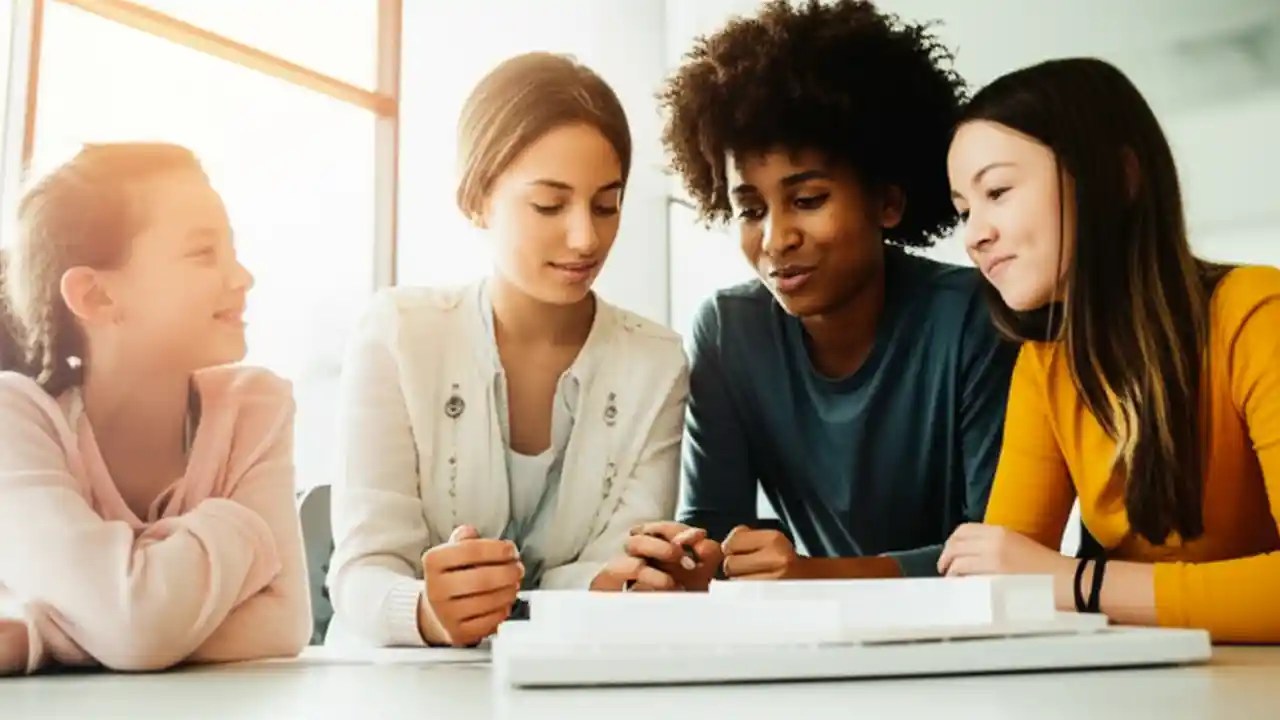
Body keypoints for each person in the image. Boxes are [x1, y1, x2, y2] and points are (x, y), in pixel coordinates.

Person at [629, 0, 1017, 589]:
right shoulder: (730, 331)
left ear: (888, 202)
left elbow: (998, 551)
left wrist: (815, 574)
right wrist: (688, 561)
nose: (777, 239)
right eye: (751, 209)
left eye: (808, 200)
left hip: (959, 645)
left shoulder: (973, 317)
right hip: (807, 648)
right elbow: (710, 530)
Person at [325, 52, 689, 649]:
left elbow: (616, 567)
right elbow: (364, 572)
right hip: (397, 685)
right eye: (549, 205)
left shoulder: (656, 362)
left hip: (573, 676)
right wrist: (424, 610)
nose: (586, 238)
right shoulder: (398, 333)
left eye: (606, 204)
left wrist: (631, 584)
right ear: (477, 200)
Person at [940, 57, 1280, 644]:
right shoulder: (1046, 362)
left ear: (1116, 179)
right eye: (964, 211)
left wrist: (1079, 585)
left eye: (997, 191)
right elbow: (1001, 584)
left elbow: (1044, 581)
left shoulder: (1256, 312)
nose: (973, 234)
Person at [0, 143, 312, 675]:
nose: (242, 278)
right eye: (202, 253)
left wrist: (46, 634)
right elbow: (130, 630)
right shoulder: (16, 420)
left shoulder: (256, 407)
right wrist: (237, 525)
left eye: (231, 250)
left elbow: (284, 625)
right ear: (96, 296)